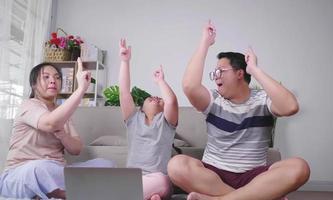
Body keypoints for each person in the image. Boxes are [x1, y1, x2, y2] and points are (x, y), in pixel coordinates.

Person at [167, 21, 310, 200]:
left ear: (240, 73)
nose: (215, 77)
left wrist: (255, 70)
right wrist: (205, 42)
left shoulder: (262, 100)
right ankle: (254, 197)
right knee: (176, 165)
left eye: (220, 71)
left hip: (254, 177)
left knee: (300, 167)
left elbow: (291, 107)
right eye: (214, 73)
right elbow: (189, 86)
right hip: (214, 176)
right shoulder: (213, 100)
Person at [0, 58, 115, 199]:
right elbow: (50, 123)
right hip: (20, 174)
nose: (53, 81)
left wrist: (63, 136)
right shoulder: (28, 105)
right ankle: (74, 194)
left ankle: (64, 193)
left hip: (56, 171)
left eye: (57, 77)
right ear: (34, 84)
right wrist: (81, 89)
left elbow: (76, 149)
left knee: (105, 164)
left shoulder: (62, 112)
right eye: (46, 77)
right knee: (40, 168)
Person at [119, 38, 178, 200]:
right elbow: (124, 93)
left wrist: (160, 81)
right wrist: (125, 61)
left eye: (160, 98)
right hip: (131, 179)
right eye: (150, 98)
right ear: (141, 107)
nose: (156, 97)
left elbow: (171, 101)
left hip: (157, 179)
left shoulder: (166, 123)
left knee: (162, 181)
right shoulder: (133, 119)